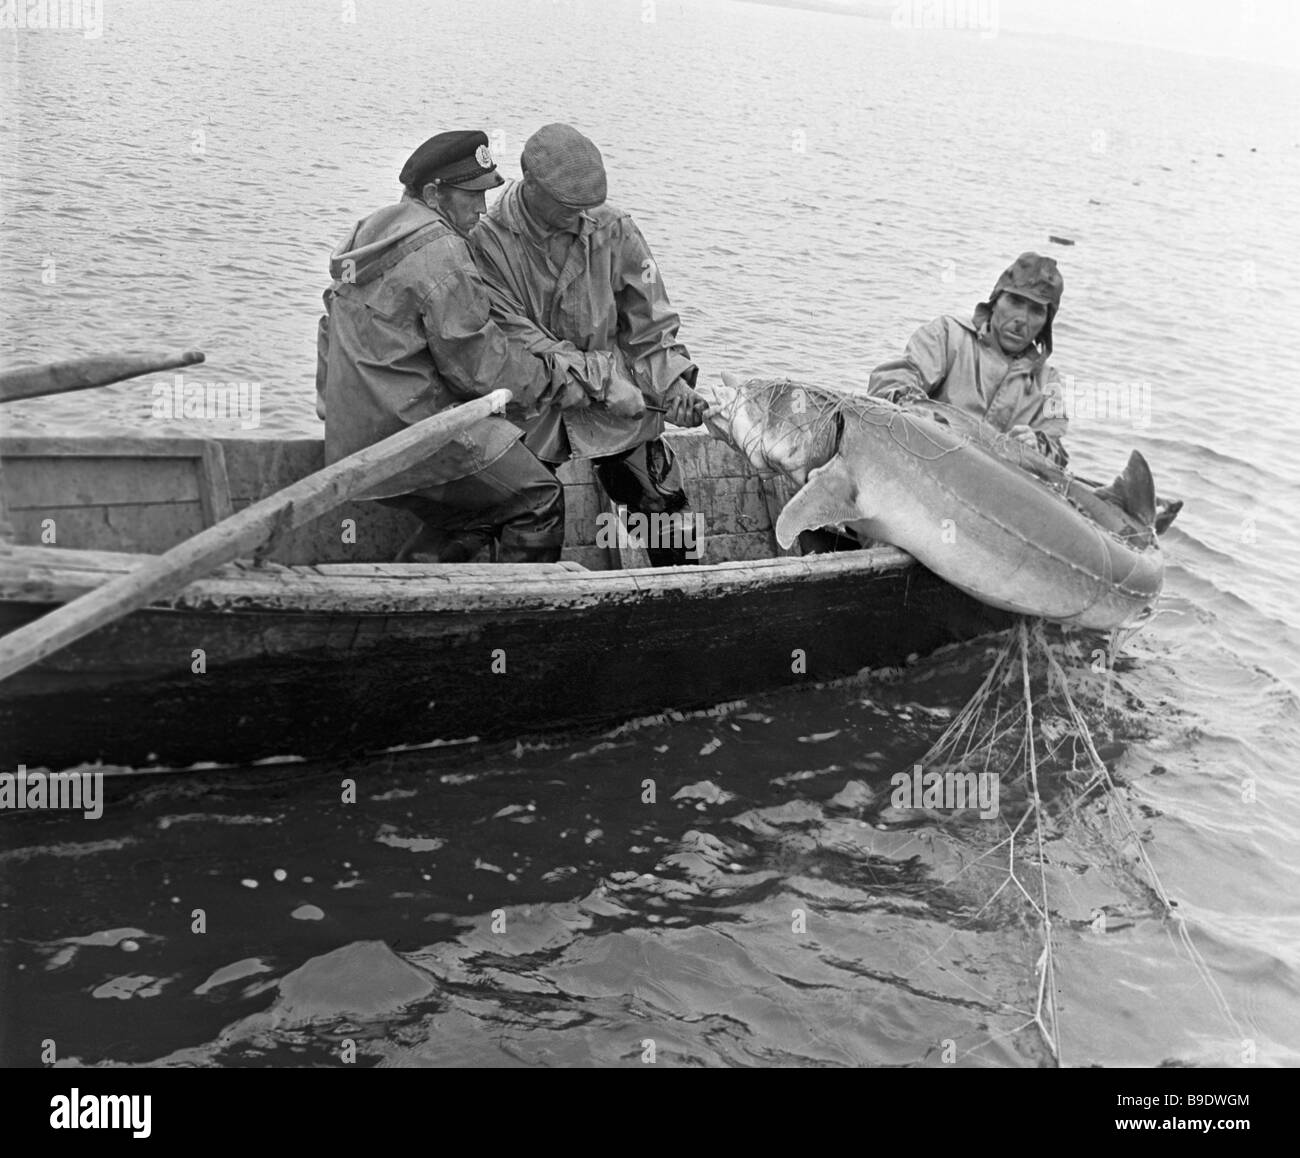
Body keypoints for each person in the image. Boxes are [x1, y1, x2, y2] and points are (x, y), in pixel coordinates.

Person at [315, 130, 600, 564]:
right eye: (471, 197)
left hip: (349, 437)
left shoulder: (370, 233)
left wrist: (326, 406)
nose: (483, 210)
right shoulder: (444, 251)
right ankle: (516, 621)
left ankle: (418, 587)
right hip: (410, 436)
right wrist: (557, 381)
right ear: (434, 194)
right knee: (538, 499)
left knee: (482, 508)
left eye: (487, 195)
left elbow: (326, 328)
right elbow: (481, 370)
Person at [469, 123, 707, 566]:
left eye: (588, 208)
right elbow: (521, 340)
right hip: (536, 401)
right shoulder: (486, 243)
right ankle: (526, 608)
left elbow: (650, 324)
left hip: (620, 404)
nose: (583, 218)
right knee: (528, 511)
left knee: (661, 505)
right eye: (569, 207)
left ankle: (687, 594)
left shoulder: (614, 227)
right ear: (531, 185)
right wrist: (602, 382)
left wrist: (673, 385)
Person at [868, 252, 1070, 467]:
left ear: (1046, 322)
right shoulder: (946, 335)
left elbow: (1058, 453)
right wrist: (921, 414)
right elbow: (891, 384)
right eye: (1015, 301)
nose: (1021, 318)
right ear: (995, 301)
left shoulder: (1050, 382)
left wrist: (1036, 447)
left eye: (1036, 310)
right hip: (918, 462)